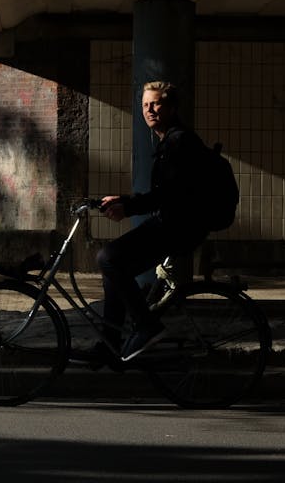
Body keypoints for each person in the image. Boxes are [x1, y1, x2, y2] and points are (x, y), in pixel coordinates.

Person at [97, 80, 211, 362]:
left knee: (108, 258)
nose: (150, 110)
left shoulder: (179, 141)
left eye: (156, 104)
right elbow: (162, 194)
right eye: (145, 105)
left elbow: (170, 194)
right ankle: (109, 347)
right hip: (173, 223)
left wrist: (129, 206)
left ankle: (146, 326)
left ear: (172, 107)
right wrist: (124, 200)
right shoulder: (169, 140)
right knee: (116, 270)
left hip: (178, 226)